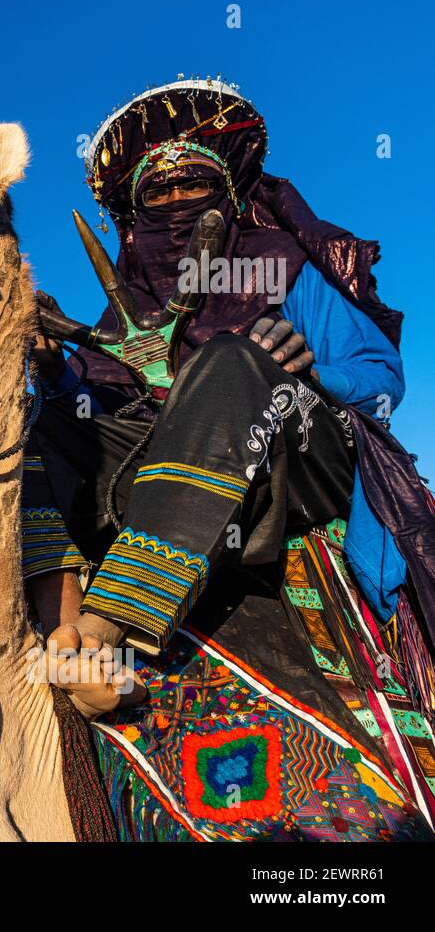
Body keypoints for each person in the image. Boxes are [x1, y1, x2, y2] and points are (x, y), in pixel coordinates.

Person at [27, 78, 434, 836]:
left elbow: (382, 382)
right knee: (36, 420)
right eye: (163, 189)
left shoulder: (285, 269)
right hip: (163, 477)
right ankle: (64, 627)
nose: (180, 199)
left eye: (198, 183)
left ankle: (112, 629)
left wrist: (310, 369)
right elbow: (92, 438)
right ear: (136, 212)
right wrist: (52, 378)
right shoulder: (119, 319)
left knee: (230, 361)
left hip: (302, 459)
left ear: (230, 193)